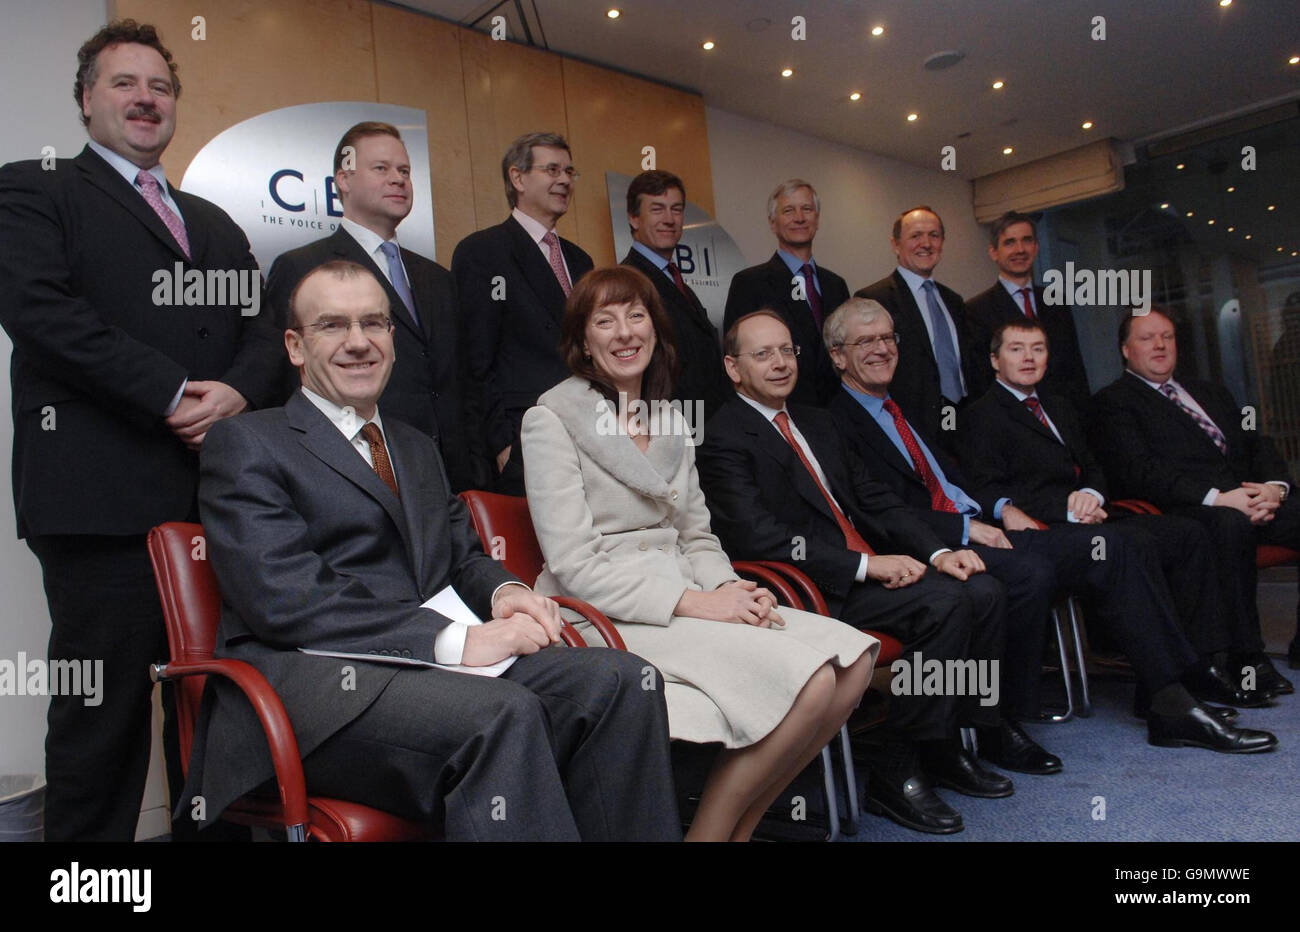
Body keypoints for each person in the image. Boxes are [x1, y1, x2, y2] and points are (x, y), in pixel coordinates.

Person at [184, 260, 680, 841]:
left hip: (426, 672)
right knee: (500, 713)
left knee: (623, 682)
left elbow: (461, 556)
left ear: (393, 338)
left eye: (374, 323)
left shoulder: (414, 446)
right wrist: (456, 640)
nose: (358, 342)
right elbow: (286, 599)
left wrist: (507, 593)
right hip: (313, 690)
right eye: (332, 326)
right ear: (295, 346)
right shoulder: (246, 442)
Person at [0, 20, 283, 841]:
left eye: (159, 85)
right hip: (101, 505)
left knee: (217, 713)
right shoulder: (32, 189)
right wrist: (169, 393)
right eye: (124, 83)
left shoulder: (218, 224)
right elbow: (42, 313)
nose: (145, 98)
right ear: (86, 99)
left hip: (216, 503)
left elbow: (264, 330)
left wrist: (233, 390)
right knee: (103, 722)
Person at [520, 266, 877, 842]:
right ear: (583, 342)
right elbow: (574, 566)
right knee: (810, 682)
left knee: (855, 660)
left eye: (636, 315)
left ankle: (741, 828)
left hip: (686, 593)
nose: (624, 332)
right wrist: (697, 603)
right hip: (604, 612)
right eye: (604, 321)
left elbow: (698, 537)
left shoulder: (669, 418)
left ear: (656, 331)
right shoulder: (550, 419)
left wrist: (728, 589)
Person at [827, 300, 1277, 754]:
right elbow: (877, 509)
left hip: (990, 523)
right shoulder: (833, 422)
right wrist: (963, 531)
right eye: (866, 341)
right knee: (1063, 562)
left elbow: (959, 481)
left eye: (888, 338)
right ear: (837, 355)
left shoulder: (905, 408)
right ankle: (1010, 720)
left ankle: (1170, 695)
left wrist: (998, 507)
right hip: (941, 543)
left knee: (1123, 544)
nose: (882, 349)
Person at [698, 310, 1025, 836]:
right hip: (810, 590)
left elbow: (875, 501)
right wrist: (867, 566)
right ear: (734, 368)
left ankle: (943, 746)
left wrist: (938, 553)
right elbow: (759, 539)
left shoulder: (817, 421)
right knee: (944, 606)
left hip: (865, 570)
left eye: (787, 350)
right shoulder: (722, 436)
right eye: (763, 354)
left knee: (982, 588)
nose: (780, 363)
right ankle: (896, 771)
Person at [957, 318, 1271, 707]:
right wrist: (1068, 510)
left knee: (1188, 534)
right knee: (1131, 543)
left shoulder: (1060, 405)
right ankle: (1162, 686)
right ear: (994, 359)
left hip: (1094, 514)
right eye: (1016, 349)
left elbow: (1094, 466)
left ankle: (1202, 665)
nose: (1028, 358)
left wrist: (1091, 493)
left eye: (1038, 349)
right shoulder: (980, 415)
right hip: (1045, 527)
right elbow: (985, 489)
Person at [1090, 307, 1298, 697]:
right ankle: (1246, 658)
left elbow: (1257, 442)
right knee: (1228, 526)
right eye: (1147, 337)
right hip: (1188, 507)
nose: (1159, 345)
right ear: (1125, 349)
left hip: (1250, 496)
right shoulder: (1113, 403)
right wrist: (1221, 499)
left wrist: (1274, 489)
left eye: (1167, 336)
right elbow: (1139, 471)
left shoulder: (1210, 391)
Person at [265, 121, 479, 492]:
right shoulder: (302, 267)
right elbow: (284, 381)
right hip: (352, 474)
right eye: (381, 168)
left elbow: (461, 378)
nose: (398, 179)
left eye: (404, 171)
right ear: (343, 181)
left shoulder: (438, 278)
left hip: (451, 476)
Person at [453, 131, 594, 494]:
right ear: (518, 178)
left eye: (569, 171)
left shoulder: (581, 261)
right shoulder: (483, 252)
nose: (564, 180)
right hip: (525, 436)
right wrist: (501, 442)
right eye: (552, 170)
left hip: (588, 432)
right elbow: (476, 360)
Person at [855, 205, 979, 443]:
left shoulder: (954, 301)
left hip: (965, 422)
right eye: (915, 236)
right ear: (895, 244)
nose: (926, 243)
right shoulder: (874, 299)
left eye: (934, 235)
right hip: (910, 427)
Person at [722, 179, 848, 406]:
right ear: (772, 223)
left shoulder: (836, 285)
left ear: (817, 219)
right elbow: (739, 358)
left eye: (807, 209)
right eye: (788, 210)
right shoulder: (749, 283)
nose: (799, 218)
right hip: (785, 412)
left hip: (840, 412)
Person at [621, 169, 731, 422]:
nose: (669, 219)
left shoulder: (677, 281)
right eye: (657, 209)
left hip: (709, 423)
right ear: (634, 219)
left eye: (677, 209)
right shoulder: (628, 281)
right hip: (673, 426)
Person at [964, 211, 1091, 414]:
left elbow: (1075, 368)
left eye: (1027, 240)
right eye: (1010, 242)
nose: (1020, 249)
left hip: (1065, 416)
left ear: (1036, 247)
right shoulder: (975, 310)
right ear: (993, 252)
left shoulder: (1056, 301)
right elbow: (980, 380)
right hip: (1013, 420)